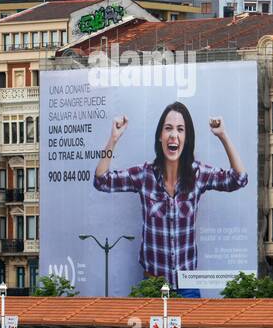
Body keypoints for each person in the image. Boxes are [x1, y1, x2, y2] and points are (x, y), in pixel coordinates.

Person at [93, 102, 247, 290]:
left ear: (186, 138)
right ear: (160, 136)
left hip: (188, 287)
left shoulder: (199, 174)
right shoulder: (144, 175)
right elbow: (101, 180)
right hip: (153, 286)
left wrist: (223, 135)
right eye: (168, 129)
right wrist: (113, 138)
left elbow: (239, 179)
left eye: (180, 130)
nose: (174, 135)